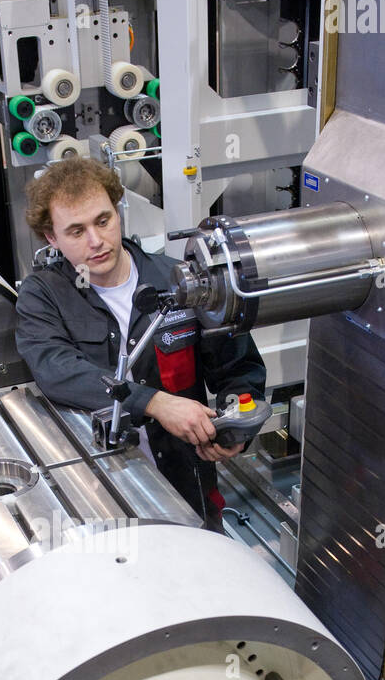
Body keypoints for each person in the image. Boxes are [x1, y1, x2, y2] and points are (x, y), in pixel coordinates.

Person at [14, 157, 266, 528]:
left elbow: (239, 367)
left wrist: (233, 430)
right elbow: (57, 368)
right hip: (98, 492)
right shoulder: (44, 295)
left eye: (103, 221)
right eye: (76, 231)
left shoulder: (178, 282)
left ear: (118, 212)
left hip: (186, 488)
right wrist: (154, 402)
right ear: (52, 238)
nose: (96, 241)